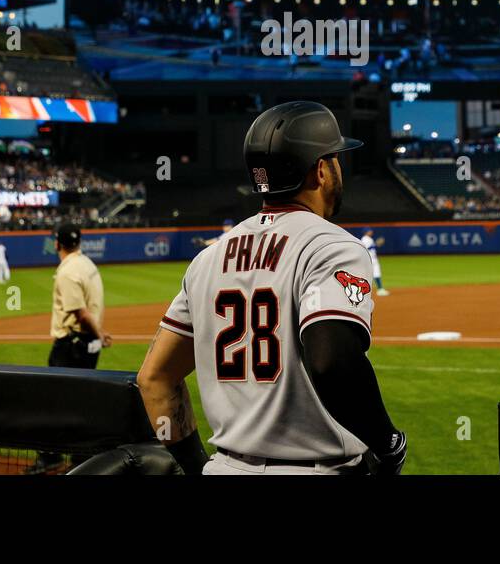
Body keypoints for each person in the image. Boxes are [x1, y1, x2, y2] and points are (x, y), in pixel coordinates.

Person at [137, 100, 406, 476]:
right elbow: (332, 362)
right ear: (320, 171)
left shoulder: (208, 260)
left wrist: (197, 465)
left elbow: (154, 378)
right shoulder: (332, 245)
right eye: (335, 158)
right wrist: (388, 443)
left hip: (225, 468)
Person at [23, 223, 114, 475]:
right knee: (81, 400)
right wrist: (100, 335)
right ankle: (80, 456)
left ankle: (51, 456)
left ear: (57, 243)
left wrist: (99, 334)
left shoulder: (67, 271)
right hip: (88, 345)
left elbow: (80, 313)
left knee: (53, 401)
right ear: (79, 242)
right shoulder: (88, 264)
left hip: (72, 344)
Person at [360, 229, 388, 295]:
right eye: (369, 231)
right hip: (370, 259)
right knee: (373, 274)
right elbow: (366, 248)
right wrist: (375, 244)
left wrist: (375, 245)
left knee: (375, 274)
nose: (371, 232)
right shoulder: (365, 239)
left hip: (372, 259)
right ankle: (379, 289)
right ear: (366, 232)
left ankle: (379, 289)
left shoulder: (369, 239)